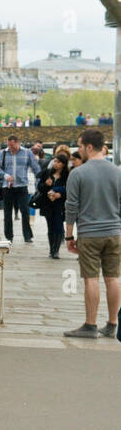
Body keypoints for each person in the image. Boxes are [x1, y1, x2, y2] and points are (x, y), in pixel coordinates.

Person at [63, 128, 121, 339]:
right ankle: (113, 324)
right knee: (113, 278)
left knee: (91, 279)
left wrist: (69, 236)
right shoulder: (117, 171)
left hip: (90, 233)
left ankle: (90, 324)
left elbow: (71, 207)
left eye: (79, 146)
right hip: (114, 232)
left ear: (89, 147)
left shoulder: (78, 173)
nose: (78, 150)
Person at [0, 134, 37, 243]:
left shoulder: (27, 153)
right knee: (7, 213)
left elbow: (36, 167)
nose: (11, 148)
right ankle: (9, 236)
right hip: (7, 187)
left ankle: (27, 236)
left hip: (22, 186)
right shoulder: (2, 153)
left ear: (18, 143)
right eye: (9, 146)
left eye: (12, 146)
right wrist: (5, 176)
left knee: (25, 211)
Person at [35, 154, 70, 258]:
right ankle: (51, 249)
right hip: (47, 204)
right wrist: (46, 184)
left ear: (63, 164)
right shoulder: (47, 173)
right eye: (55, 161)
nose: (56, 164)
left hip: (60, 205)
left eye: (58, 162)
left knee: (58, 226)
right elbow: (40, 188)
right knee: (50, 227)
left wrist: (60, 194)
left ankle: (56, 251)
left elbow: (70, 189)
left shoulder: (67, 175)